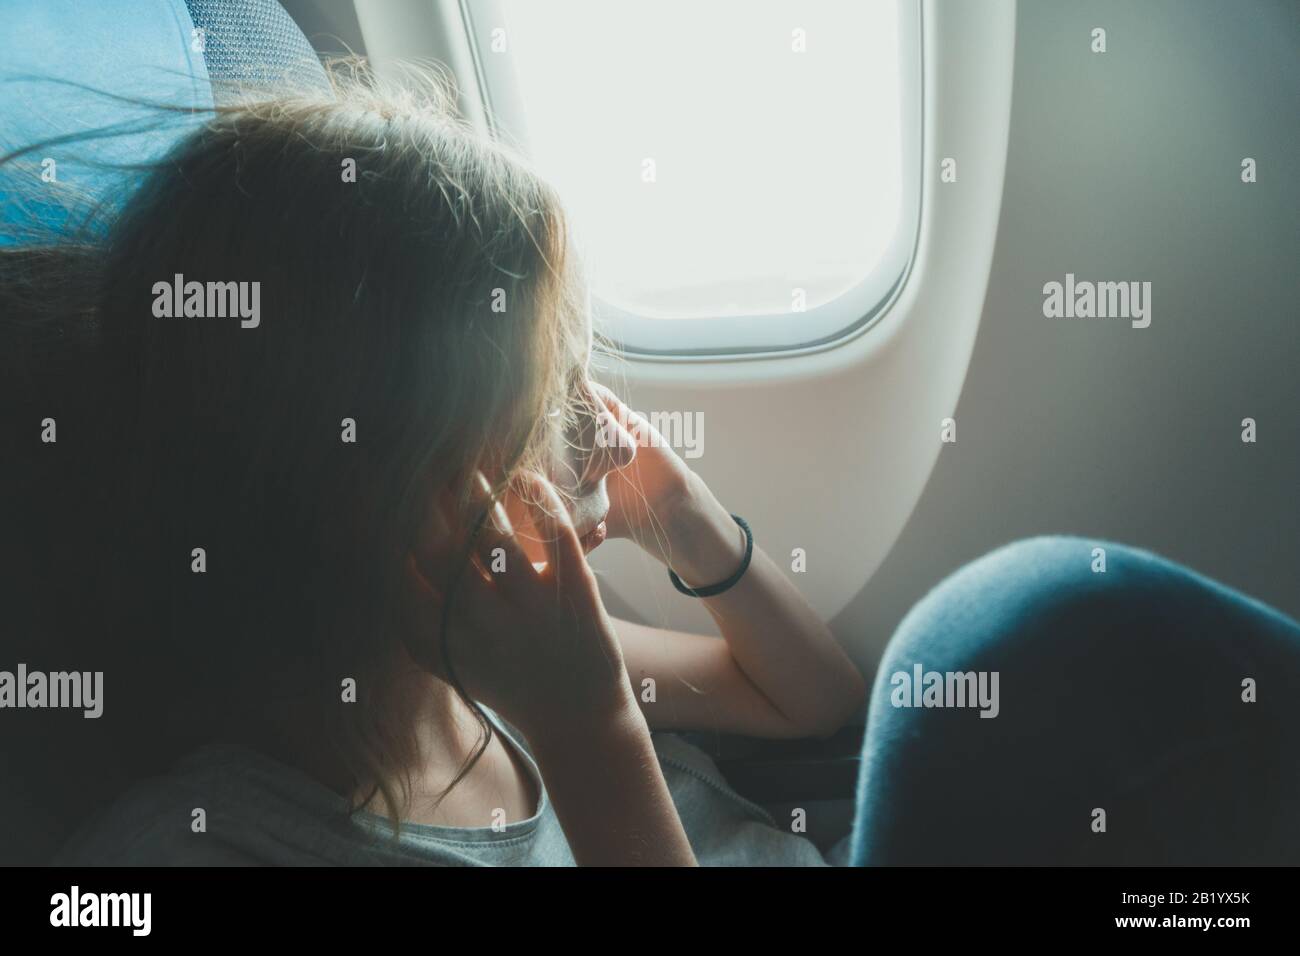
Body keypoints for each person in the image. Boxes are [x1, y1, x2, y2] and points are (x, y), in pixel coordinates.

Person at [4, 70, 1296, 866]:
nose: (582, 425)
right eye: (538, 399)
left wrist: (683, 521)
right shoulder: (210, 848)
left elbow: (808, 705)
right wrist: (591, 734)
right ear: (389, 490)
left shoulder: (500, 664)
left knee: (1053, 625)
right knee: (1033, 631)